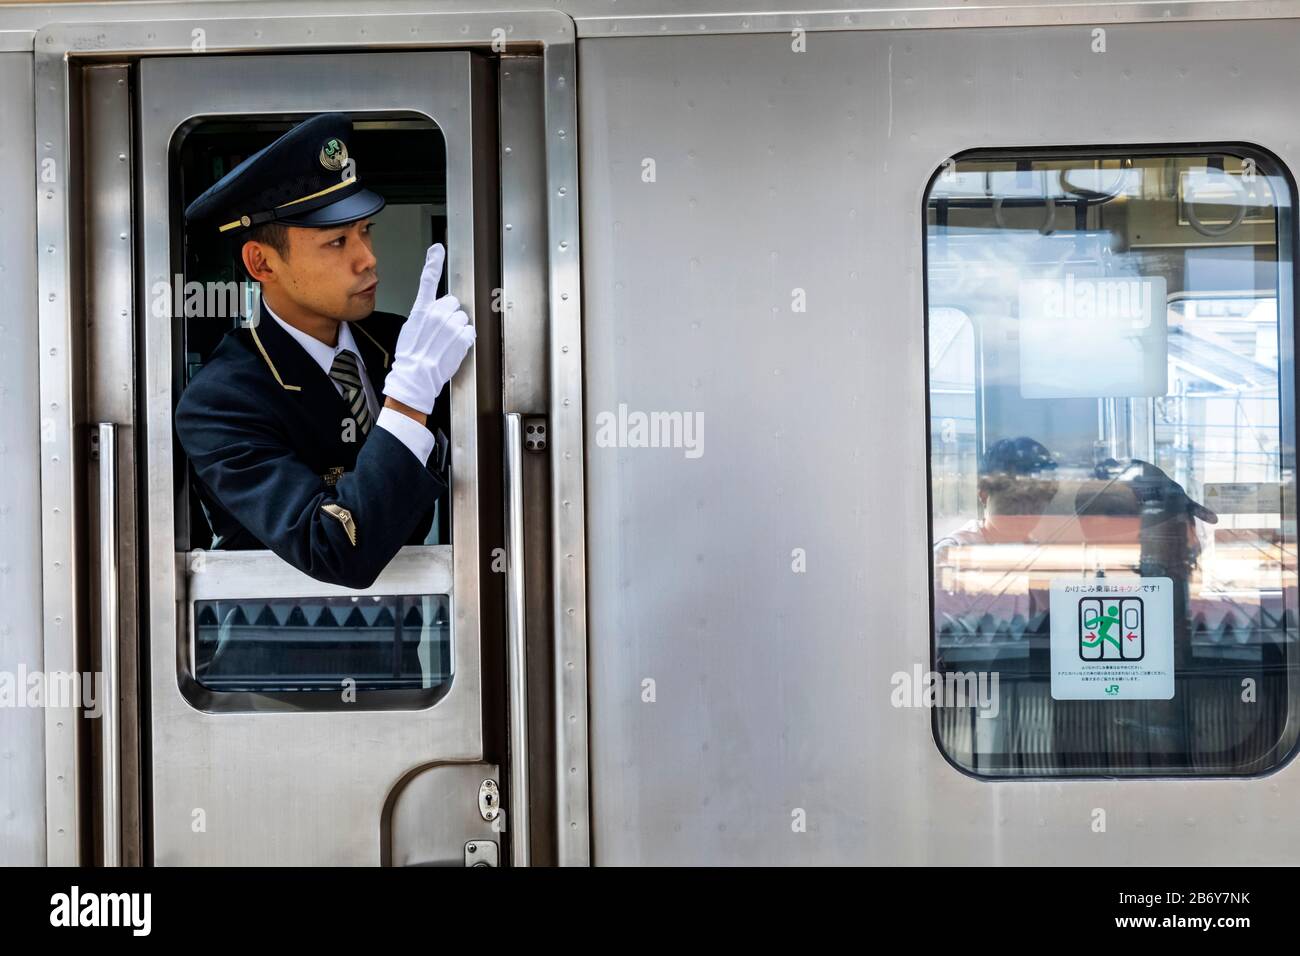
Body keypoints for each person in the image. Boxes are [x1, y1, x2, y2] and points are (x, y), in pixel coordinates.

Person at [175, 113, 474, 589]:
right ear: (261, 263)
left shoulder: (403, 345)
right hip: (281, 653)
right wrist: (407, 401)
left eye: (366, 231)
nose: (367, 258)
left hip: (408, 647)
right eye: (337, 241)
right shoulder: (221, 399)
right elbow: (333, 549)